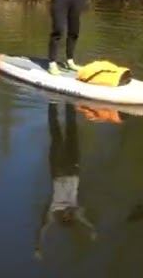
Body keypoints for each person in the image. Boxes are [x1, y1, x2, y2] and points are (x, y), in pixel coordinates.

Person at [35, 102, 96, 261]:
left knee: (56, 135)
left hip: (59, 169)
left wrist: (39, 246)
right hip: (74, 167)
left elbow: (44, 228)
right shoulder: (76, 209)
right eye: (71, 217)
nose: (69, 214)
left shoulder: (54, 209)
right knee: (72, 132)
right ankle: (70, 103)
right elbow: (86, 222)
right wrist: (91, 230)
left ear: (62, 217)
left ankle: (52, 103)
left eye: (66, 217)